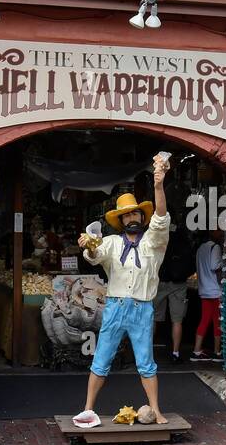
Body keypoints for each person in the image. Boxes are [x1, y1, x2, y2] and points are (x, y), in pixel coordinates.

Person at [72, 159, 170, 427]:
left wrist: (159, 185)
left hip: (142, 308)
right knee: (101, 357)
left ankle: (156, 410)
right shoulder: (112, 243)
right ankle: (88, 409)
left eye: (135, 214)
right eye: (126, 215)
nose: (131, 218)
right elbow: (94, 255)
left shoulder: (154, 242)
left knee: (146, 362)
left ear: (141, 216)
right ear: (120, 220)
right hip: (115, 307)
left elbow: (161, 217)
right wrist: (89, 245)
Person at [153, 221, 193, 364]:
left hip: (161, 281)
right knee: (177, 320)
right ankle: (175, 353)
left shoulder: (157, 236)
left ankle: (148, 353)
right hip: (179, 283)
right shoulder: (182, 237)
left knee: (153, 318)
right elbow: (190, 260)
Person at [192, 230, 223, 361]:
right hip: (215, 290)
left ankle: (197, 350)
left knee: (204, 320)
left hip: (204, 289)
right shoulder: (214, 247)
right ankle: (217, 351)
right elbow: (214, 265)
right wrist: (224, 263)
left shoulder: (200, 249)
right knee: (217, 321)